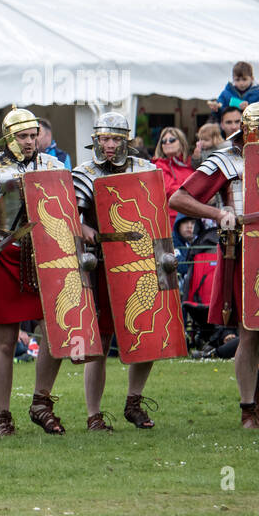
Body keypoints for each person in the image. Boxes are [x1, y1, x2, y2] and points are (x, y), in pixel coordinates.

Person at [0, 107, 70, 436]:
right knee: (4, 342)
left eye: (33, 135)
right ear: (9, 138)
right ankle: (2, 416)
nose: (29, 141)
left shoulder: (53, 166)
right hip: (5, 257)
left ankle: (41, 402)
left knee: (56, 334)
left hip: (46, 259)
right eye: (22, 136)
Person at [170, 100, 259, 429]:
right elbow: (179, 198)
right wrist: (221, 214)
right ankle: (247, 409)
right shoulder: (228, 160)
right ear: (247, 129)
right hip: (247, 253)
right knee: (249, 334)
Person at [72, 112, 161, 431]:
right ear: (96, 141)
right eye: (104, 140)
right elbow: (72, 217)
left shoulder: (146, 170)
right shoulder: (83, 174)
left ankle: (133, 402)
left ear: (127, 142)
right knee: (101, 339)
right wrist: (86, 230)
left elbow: (156, 214)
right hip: (100, 263)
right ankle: (94, 414)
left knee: (144, 331)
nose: (109, 146)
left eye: (115, 140)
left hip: (139, 262)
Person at [153, 127, 194, 198]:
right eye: (163, 141)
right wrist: (195, 192)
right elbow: (170, 190)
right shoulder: (158, 166)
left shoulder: (192, 162)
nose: (167, 143)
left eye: (172, 140)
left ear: (181, 143)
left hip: (195, 207)